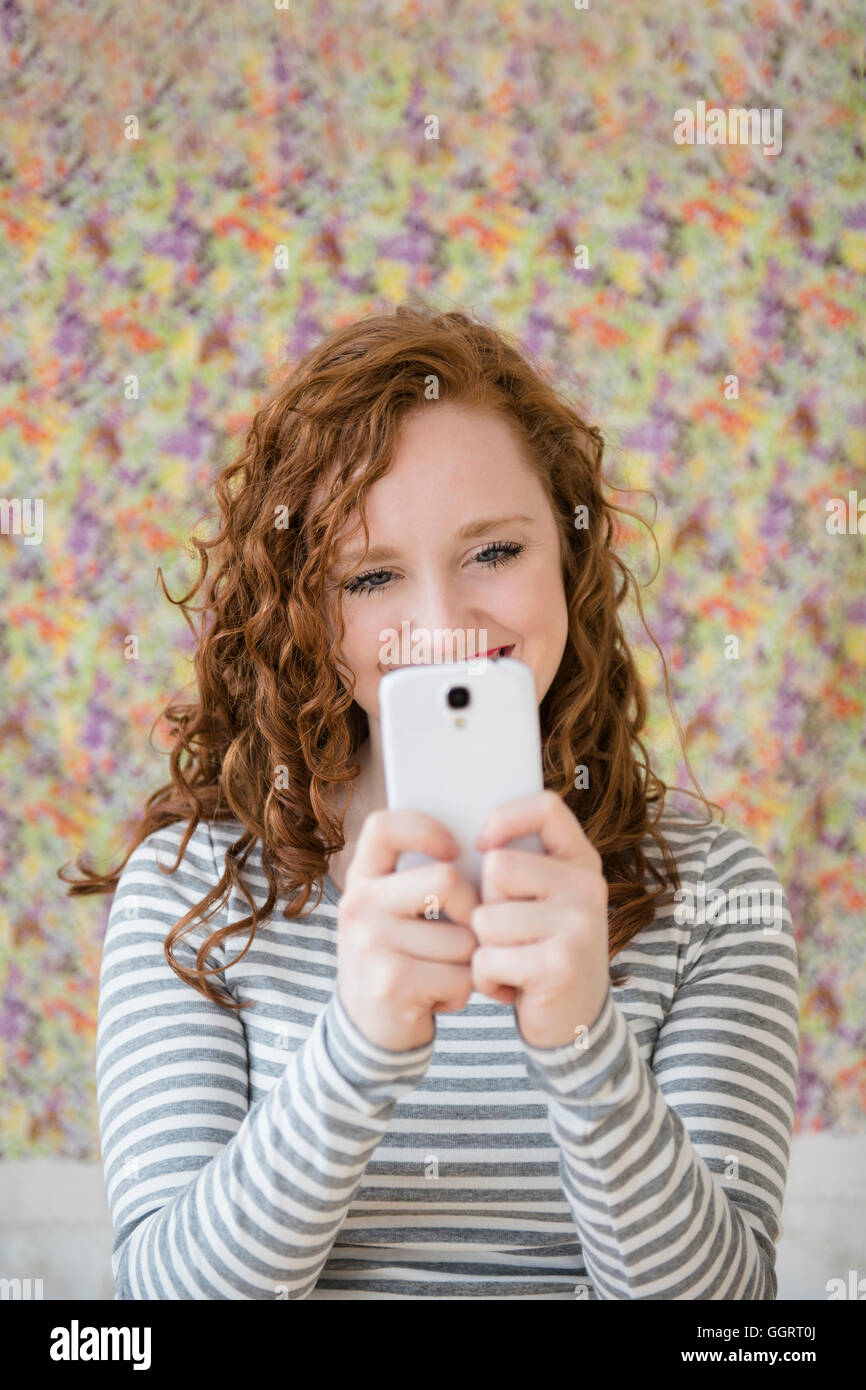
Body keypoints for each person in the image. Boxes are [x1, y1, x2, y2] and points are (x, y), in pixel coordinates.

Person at [64, 301, 800, 1299]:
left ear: (568, 558)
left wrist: (584, 1042)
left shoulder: (714, 889)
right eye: (370, 575)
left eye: (493, 552)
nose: (440, 626)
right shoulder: (190, 887)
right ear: (304, 612)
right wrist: (354, 1053)